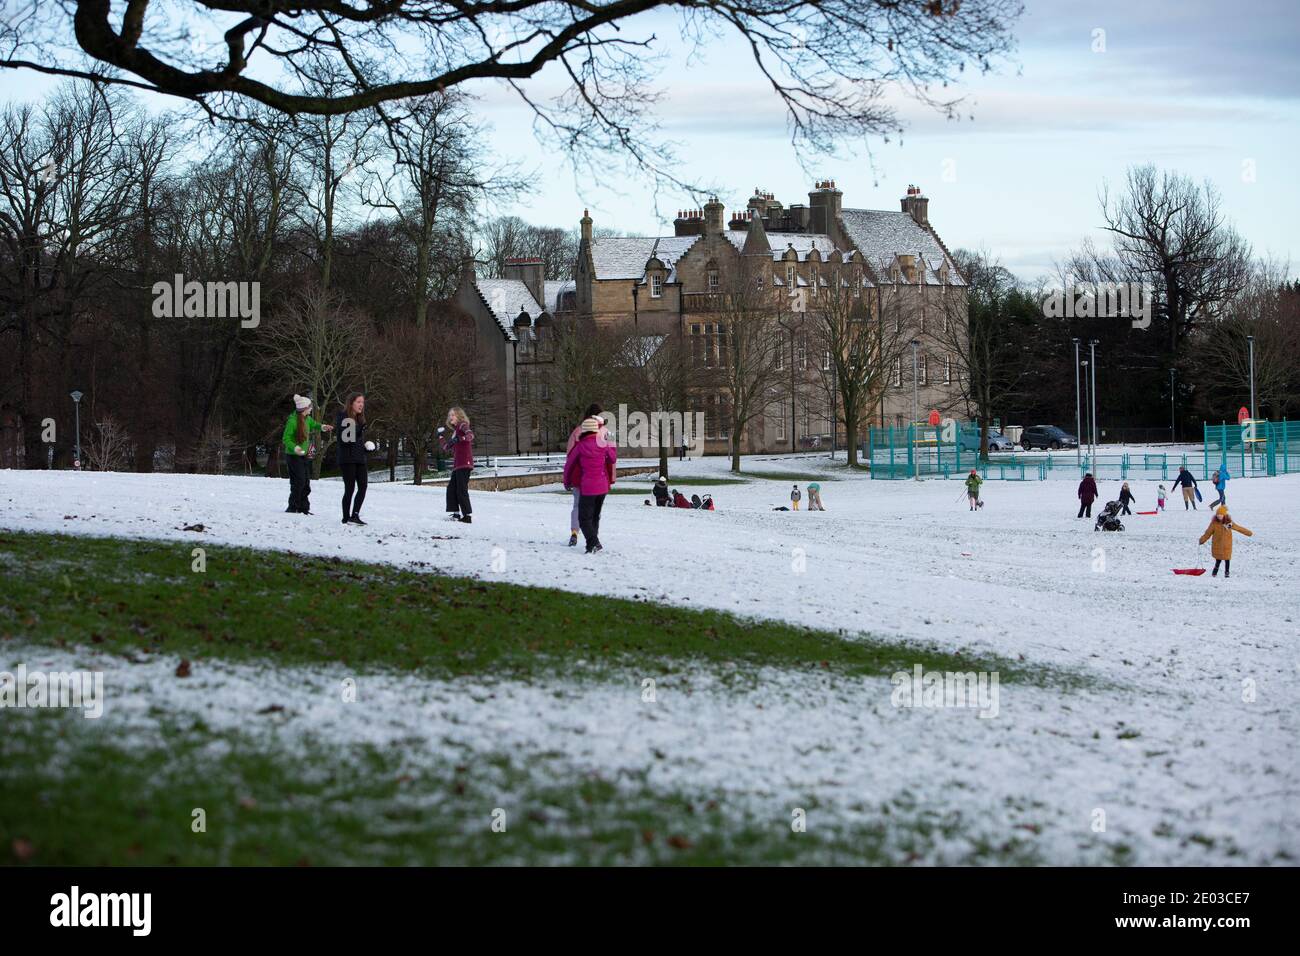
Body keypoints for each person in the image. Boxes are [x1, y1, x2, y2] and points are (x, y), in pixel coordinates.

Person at [563, 413, 618, 553]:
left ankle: (593, 542)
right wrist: (610, 444)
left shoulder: (580, 447)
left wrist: (567, 482)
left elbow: (569, 466)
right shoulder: (603, 444)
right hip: (602, 486)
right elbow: (612, 459)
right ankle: (592, 543)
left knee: (583, 518)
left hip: (588, 487)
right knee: (594, 516)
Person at [283, 394, 333, 514]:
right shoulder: (292, 421)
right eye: (310, 407)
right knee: (298, 481)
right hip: (293, 456)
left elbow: (314, 424)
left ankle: (303, 508)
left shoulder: (307, 419)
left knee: (306, 482)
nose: (311, 409)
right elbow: (286, 439)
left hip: (304, 455)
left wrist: (323, 427)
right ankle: (292, 507)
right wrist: (295, 448)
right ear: (304, 408)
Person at [566, 404, 606, 545]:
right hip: (597, 478)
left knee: (578, 506)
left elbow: (570, 456)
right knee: (594, 510)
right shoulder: (602, 434)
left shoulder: (578, 431)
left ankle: (575, 532)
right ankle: (593, 537)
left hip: (579, 476)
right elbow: (611, 459)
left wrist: (568, 478)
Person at [336, 393, 371, 525]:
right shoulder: (344, 417)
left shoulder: (359, 419)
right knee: (349, 488)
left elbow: (356, 440)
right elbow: (346, 440)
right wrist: (359, 431)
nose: (361, 404)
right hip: (347, 458)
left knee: (363, 486)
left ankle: (354, 515)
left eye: (362, 402)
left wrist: (366, 448)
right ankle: (346, 517)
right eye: (358, 402)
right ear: (351, 403)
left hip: (359, 458)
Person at [439, 407, 475, 523]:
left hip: (465, 463)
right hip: (457, 464)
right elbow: (446, 447)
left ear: (459, 416)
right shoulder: (455, 432)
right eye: (449, 415)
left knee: (461, 489)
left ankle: (467, 516)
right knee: (451, 489)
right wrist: (440, 437)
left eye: (453, 415)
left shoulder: (462, 425)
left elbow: (470, 435)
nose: (450, 417)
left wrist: (461, 438)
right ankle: (456, 514)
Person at [1198, 505, 1253, 579]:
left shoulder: (1229, 523)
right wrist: (1202, 540)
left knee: (1227, 560)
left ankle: (1227, 572)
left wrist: (1248, 533)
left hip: (1227, 545)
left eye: (1221, 515)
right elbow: (1208, 533)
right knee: (1218, 560)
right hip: (1217, 545)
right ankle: (1215, 572)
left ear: (1224, 515)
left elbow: (1238, 528)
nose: (1219, 516)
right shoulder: (1214, 523)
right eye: (1218, 515)